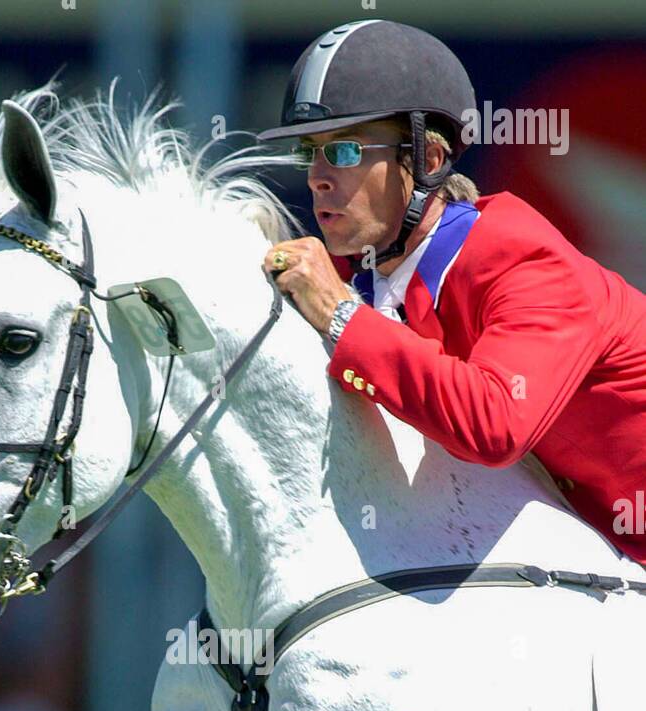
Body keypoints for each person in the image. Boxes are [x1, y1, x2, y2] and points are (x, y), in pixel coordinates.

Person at [258, 19, 646, 567]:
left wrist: (341, 315)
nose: (318, 177)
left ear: (427, 162)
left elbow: (494, 425)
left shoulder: (523, 258)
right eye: (310, 153)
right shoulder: (366, 282)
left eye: (343, 151)